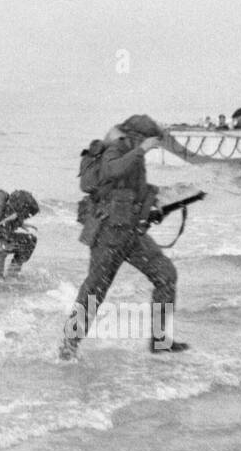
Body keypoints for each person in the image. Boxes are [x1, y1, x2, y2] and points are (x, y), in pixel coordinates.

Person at [61, 114, 185, 360]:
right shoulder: (118, 148)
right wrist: (140, 150)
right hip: (107, 235)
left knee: (166, 275)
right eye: (150, 142)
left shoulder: (133, 154)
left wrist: (161, 203)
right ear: (138, 137)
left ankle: (160, 341)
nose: (151, 148)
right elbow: (112, 170)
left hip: (131, 233)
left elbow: (132, 193)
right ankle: (68, 346)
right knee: (94, 290)